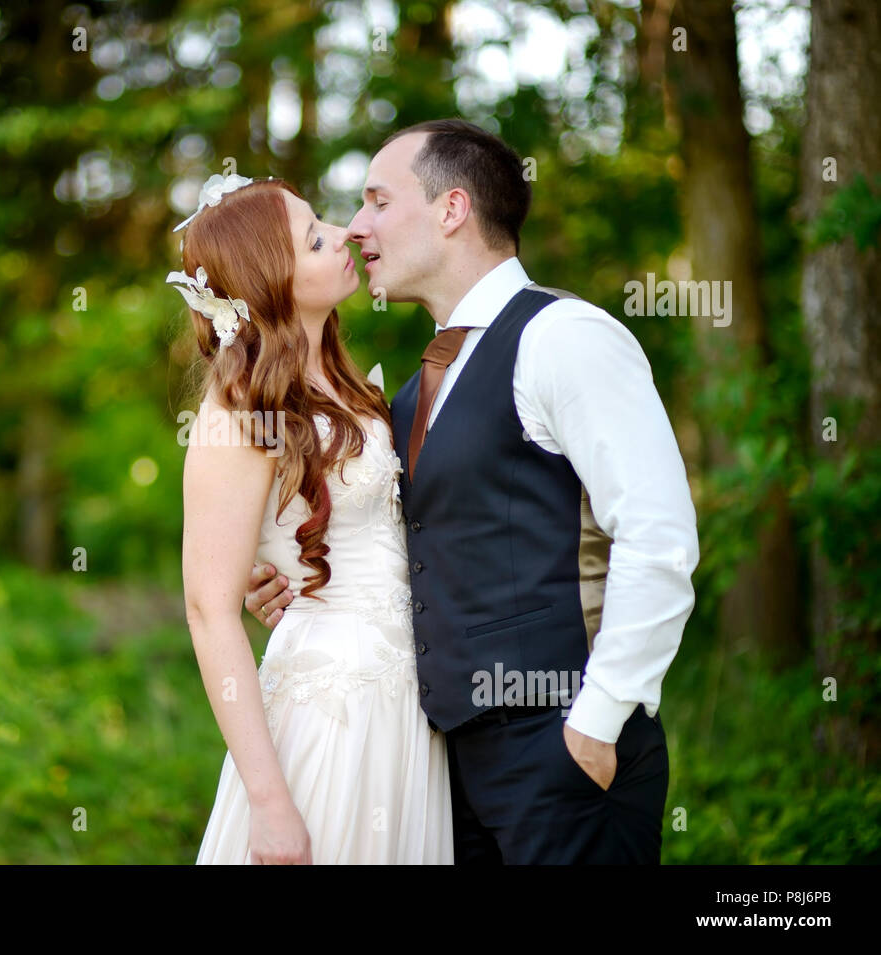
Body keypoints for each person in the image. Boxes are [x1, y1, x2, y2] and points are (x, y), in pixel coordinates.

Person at [246, 120, 699, 863]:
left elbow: (660, 536)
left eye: (377, 202)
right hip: (441, 772)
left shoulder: (565, 337)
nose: (357, 227)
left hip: (564, 756)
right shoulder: (410, 391)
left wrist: (599, 718)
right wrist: (298, 582)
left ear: (451, 209)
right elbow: (410, 554)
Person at [177, 173, 452, 864]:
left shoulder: (348, 384)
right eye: (315, 237)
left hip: (408, 708)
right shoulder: (237, 407)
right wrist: (270, 804)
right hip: (331, 713)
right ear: (274, 275)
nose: (345, 236)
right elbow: (208, 608)